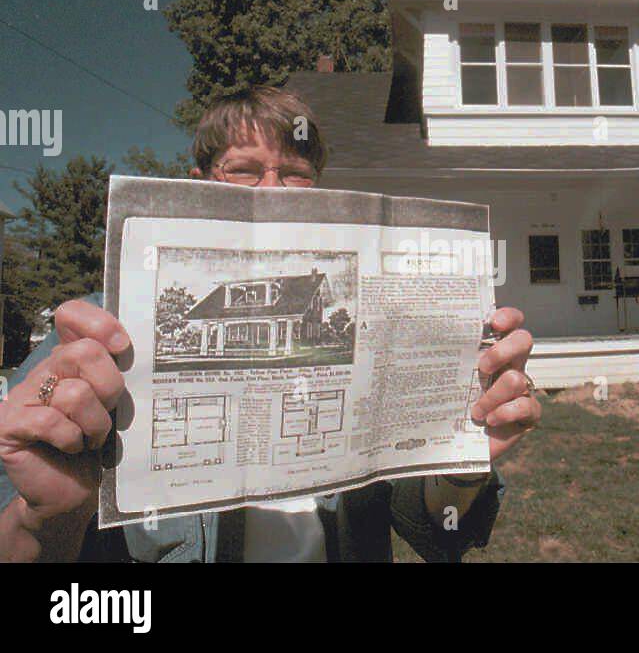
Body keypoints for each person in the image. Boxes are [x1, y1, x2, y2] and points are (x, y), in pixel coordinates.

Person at [0, 86, 541, 563]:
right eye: (243, 169)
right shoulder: (99, 334)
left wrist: (463, 463)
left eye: (296, 174)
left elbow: (431, 530)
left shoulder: (364, 321)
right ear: (199, 185)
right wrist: (44, 516)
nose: (272, 189)